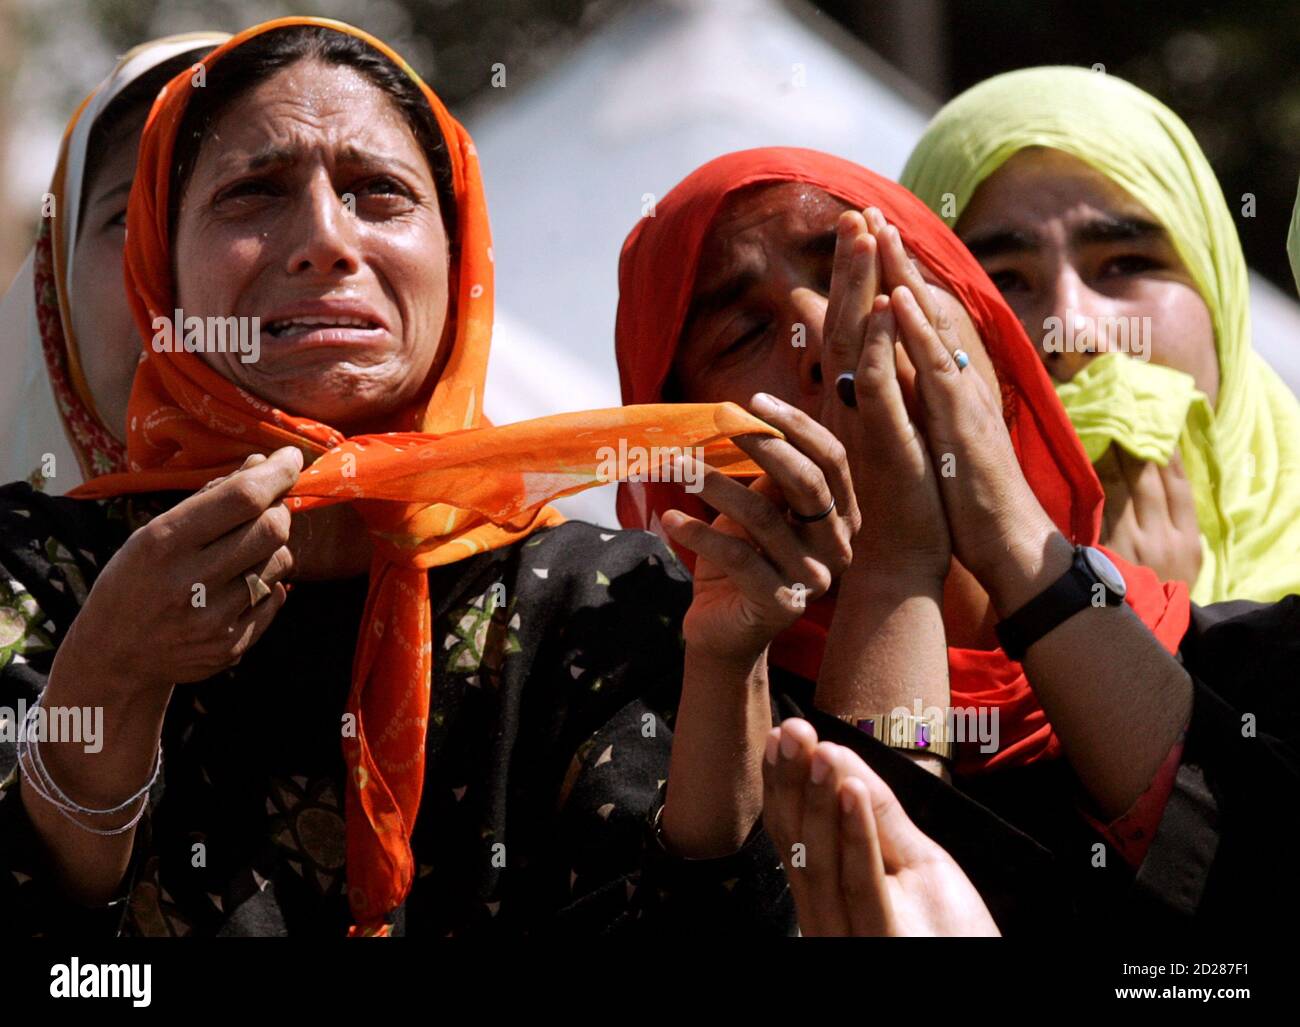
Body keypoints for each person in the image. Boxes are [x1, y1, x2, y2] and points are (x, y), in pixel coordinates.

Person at [0, 17, 839, 938]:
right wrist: (109, 678)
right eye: (253, 193)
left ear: (458, 255)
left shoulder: (602, 598)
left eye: (378, 194)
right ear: (159, 269)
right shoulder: (40, 577)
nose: (324, 240)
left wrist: (725, 666)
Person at [615, 147, 1299, 932]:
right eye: (742, 332)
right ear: (682, 439)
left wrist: (1011, 536)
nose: (820, 327)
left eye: (852, 266)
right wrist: (892, 570)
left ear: (975, 321)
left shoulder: (1244, 661)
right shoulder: (692, 739)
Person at [900, 66, 1300, 604]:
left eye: (1126, 263)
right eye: (1003, 280)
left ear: (1217, 288)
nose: (1069, 330)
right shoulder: (839, 588)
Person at [0, 33, 229, 491]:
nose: (169, 262)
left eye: (238, 203)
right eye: (128, 218)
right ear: (55, 287)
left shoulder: (401, 534)